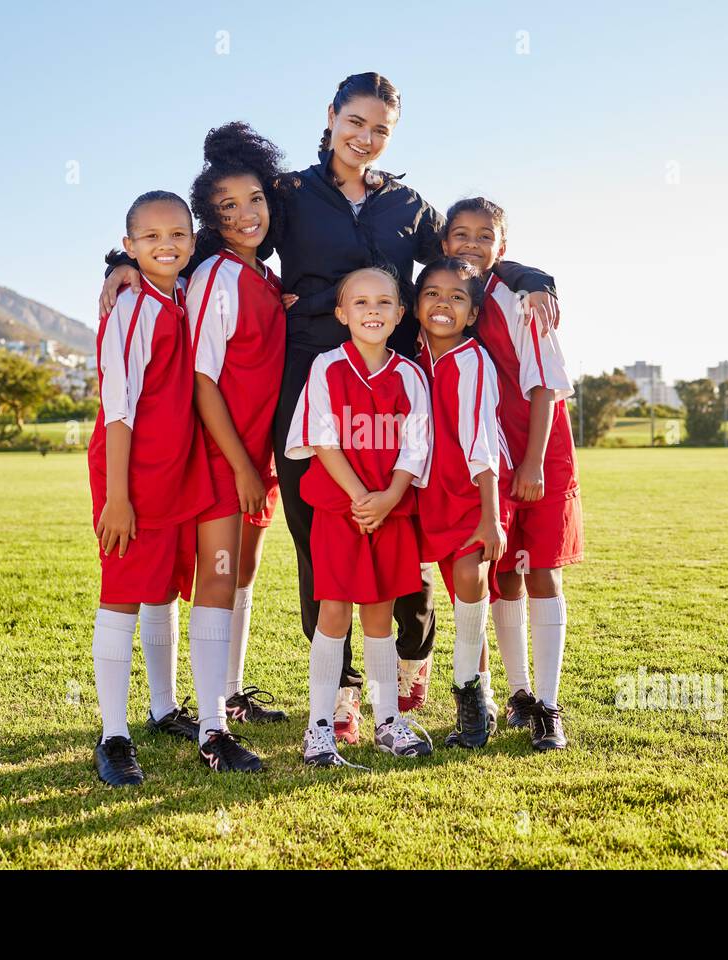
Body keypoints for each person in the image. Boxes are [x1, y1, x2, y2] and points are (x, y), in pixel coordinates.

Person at [101, 73, 561, 743]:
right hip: (310, 381)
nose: (364, 137)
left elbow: (462, 264)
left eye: (380, 128)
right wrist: (120, 262)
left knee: (402, 529)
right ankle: (341, 693)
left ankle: (409, 663)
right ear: (332, 116)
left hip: (398, 387)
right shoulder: (289, 193)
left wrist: (531, 277)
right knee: (322, 540)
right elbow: (217, 235)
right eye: (355, 121)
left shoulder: (409, 203)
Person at [441, 197, 581, 751]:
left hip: (537, 455)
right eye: (460, 234)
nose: (471, 244)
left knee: (541, 570)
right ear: (444, 242)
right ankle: (517, 694)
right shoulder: (445, 300)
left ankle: (547, 706)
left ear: (502, 247)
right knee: (503, 574)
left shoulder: (523, 301)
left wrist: (531, 462)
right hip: (487, 461)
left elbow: (546, 384)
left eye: (483, 235)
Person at [284, 267, 434, 766]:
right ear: (341, 313)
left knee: (379, 617)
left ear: (399, 314)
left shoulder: (409, 374)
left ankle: (387, 719)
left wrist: (389, 497)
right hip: (338, 512)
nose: (373, 310)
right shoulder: (327, 366)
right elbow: (322, 439)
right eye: (361, 303)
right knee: (333, 614)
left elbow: (416, 447)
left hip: (390, 511)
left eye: (384, 302)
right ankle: (319, 726)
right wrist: (359, 498)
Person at [89, 191, 212, 786]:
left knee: (163, 587)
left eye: (179, 234)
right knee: (124, 591)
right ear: (131, 244)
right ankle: (113, 734)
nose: (167, 245)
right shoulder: (133, 304)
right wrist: (118, 496)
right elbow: (118, 409)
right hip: (130, 474)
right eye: (152, 237)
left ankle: (163, 707)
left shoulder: (182, 293)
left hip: (174, 469)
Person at [183, 125, 290, 762]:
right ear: (211, 219)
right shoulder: (215, 275)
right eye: (228, 208)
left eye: (254, 200)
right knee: (217, 578)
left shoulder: (264, 275)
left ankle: (229, 692)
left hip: (260, 454)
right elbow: (202, 379)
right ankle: (211, 731)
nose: (246, 215)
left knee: (243, 570)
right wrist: (241, 464)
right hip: (224, 454)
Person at [413, 257, 508, 749]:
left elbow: (481, 443)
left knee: (470, 588)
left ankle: (471, 699)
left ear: (472, 314)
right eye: (432, 293)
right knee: (454, 592)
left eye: (456, 297)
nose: (443, 304)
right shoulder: (414, 355)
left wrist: (491, 517)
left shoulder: (471, 360)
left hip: (474, 493)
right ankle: (482, 697)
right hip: (429, 493)